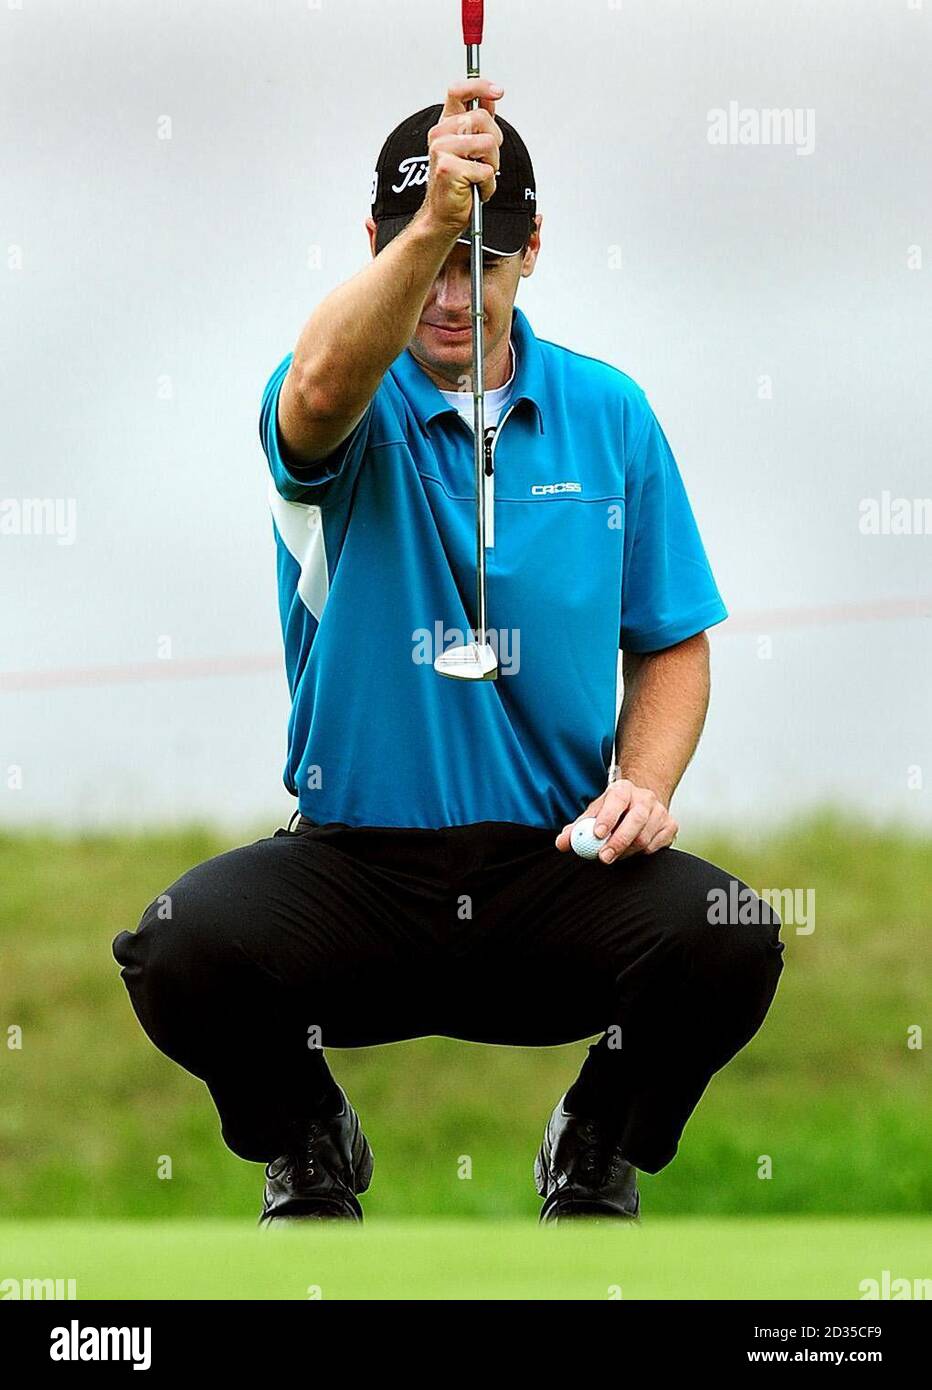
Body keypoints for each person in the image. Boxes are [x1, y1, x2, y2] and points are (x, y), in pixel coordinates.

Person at [113, 80, 784, 1225]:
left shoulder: (608, 414)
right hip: (351, 875)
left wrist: (645, 786)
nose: (453, 292)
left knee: (732, 938)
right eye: (428, 257)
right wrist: (435, 219)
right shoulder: (335, 396)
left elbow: (670, 639)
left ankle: (592, 1144)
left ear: (534, 248)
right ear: (376, 243)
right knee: (178, 946)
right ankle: (308, 1140)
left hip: (554, 870)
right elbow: (320, 385)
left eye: (484, 256)